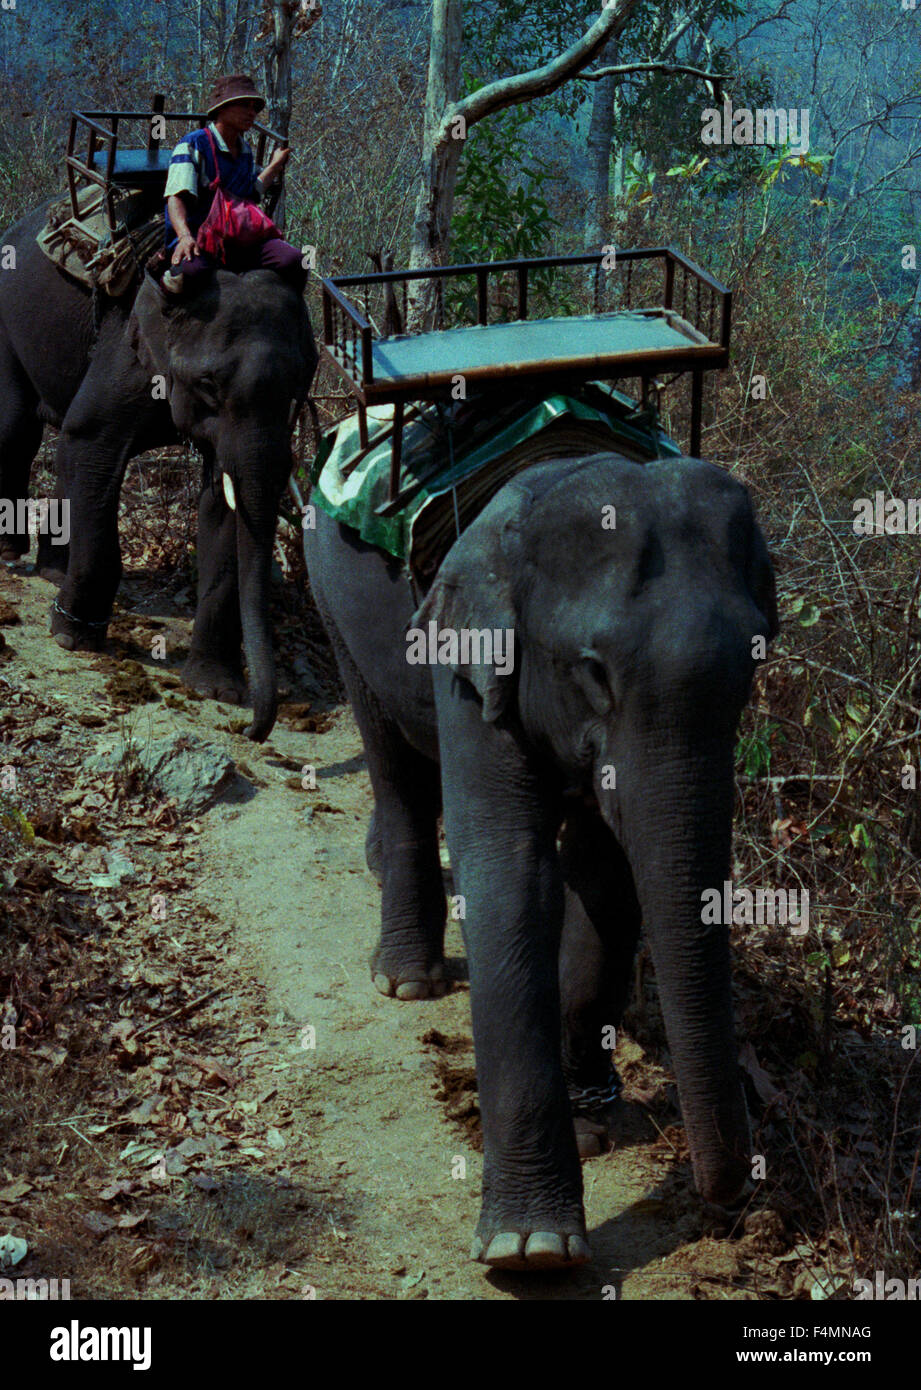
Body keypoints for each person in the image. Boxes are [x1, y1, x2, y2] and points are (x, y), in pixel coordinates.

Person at [160, 73, 306, 296]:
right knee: (190, 274)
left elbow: (249, 194)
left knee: (295, 260)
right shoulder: (193, 144)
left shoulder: (244, 150)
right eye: (244, 105)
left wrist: (275, 166)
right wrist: (184, 236)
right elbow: (176, 196)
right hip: (201, 240)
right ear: (222, 108)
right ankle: (162, 300)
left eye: (254, 108)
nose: (251, 113)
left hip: (238, 240)